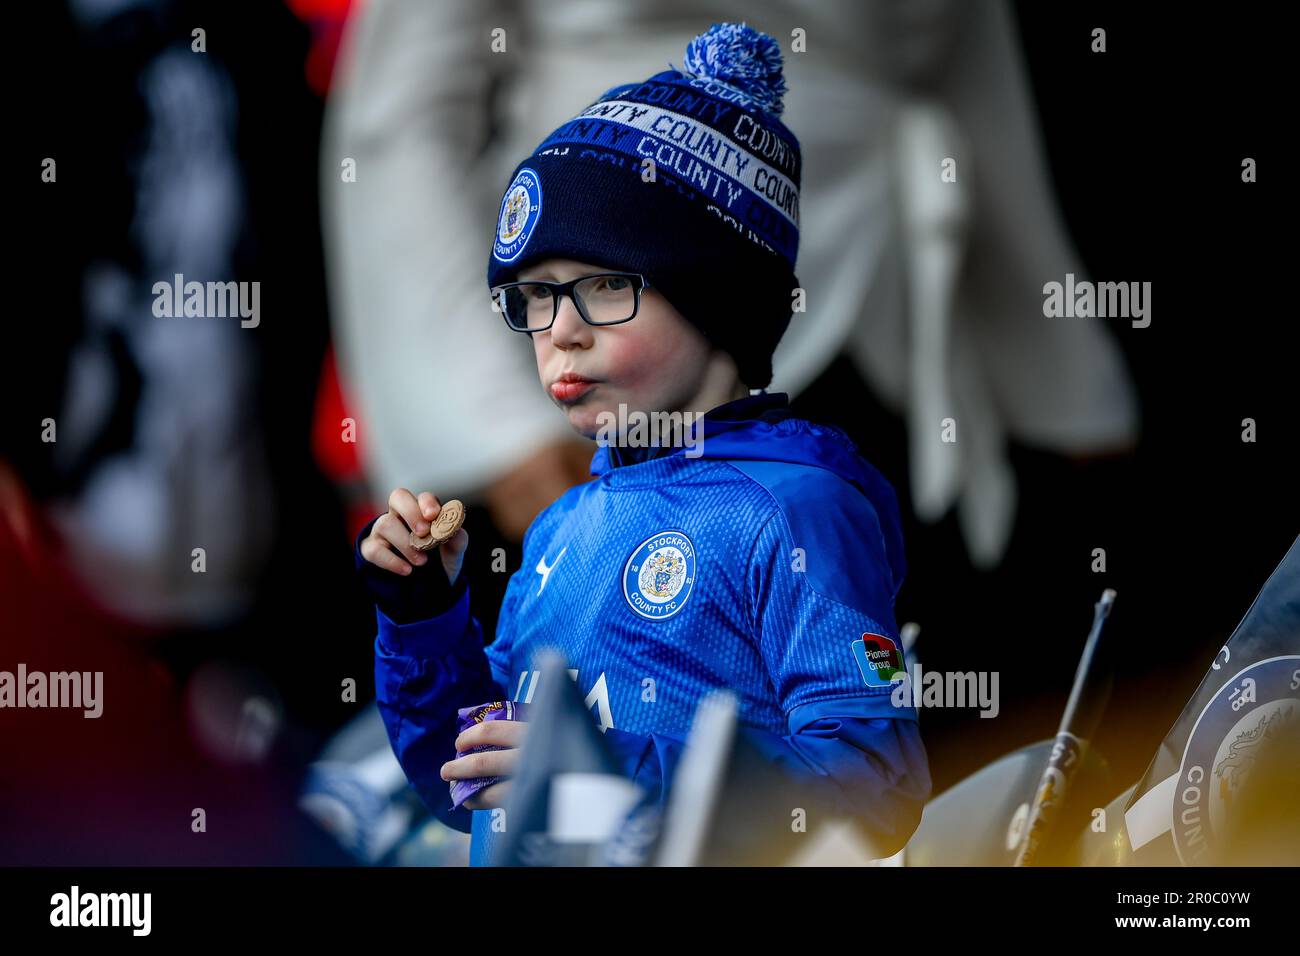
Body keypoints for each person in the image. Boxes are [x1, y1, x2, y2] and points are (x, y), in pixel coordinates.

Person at [355, 23, 929, 865]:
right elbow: (466, 785)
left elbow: (874, 789)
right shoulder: (561, 526)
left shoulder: (800, 508)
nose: (560, 333)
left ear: (718, 298)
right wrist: (424, 619)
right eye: (534, 299)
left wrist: (602, 776)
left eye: (604, 285)